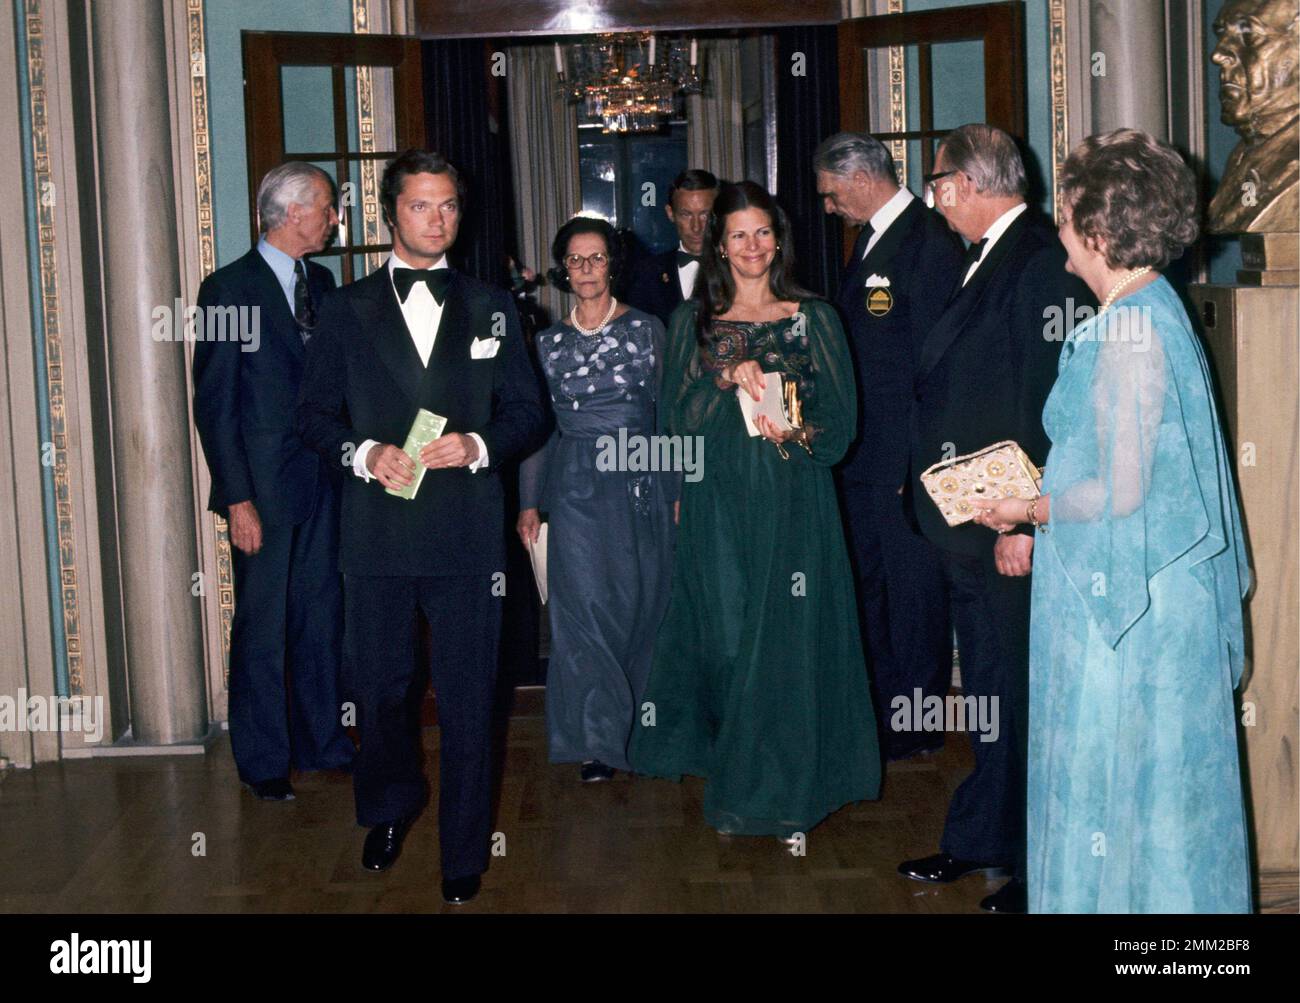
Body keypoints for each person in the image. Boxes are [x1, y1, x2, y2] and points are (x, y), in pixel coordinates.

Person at [972, 129, 1252, 913]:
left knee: (1125, 787)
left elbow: (1124, 491)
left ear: (1096, 231)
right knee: (1151, 793)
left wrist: (1024, 508)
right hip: (1145, 587)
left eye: (1065, 214)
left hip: (1129, 603)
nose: (1057, 228)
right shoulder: (1152, 308)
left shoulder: (1126, 330)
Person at [295, 149, 545, 905]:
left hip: (469, 536)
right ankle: (391, 804)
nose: (438, 220)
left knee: (471, 699)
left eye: (449, 206)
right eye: (421, 206)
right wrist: (364, 453)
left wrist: (477, 445)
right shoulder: (344, 308)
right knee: (380, 693)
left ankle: (464, 851)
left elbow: (530, 413)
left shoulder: (494, 304)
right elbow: (312, 416)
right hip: (377, 535)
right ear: (389, 213)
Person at [628, 181, 880, 841]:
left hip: (795, 499)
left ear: (779, 238)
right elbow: (673, 427)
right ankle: (732, 762)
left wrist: (793, 418)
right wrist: (722, 379)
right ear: (717, 243)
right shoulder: (693, 323)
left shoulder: (814, 316)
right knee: (729, 640)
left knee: (788, 642)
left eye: (762, 232)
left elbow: (843, 423)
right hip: (717, 504)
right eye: (737, 234)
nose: (752, 246)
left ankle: (780, 789)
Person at [897, 124, 1093, 913]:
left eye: (939, 184)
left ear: (970, 183)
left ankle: (1032, 867)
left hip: (1008, 527)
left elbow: (1053, 405)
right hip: (971, 521)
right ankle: (984, 837)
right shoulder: (986, 256)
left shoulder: (1040, 261)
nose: (936, 200)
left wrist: (1026, 525)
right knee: (988, 688)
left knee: (1019, 693)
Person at [192, 162, 354, 802]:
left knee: (322, 618)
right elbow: (214, 404)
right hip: (261, 491)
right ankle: (263, 762)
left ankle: (324, 743)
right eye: (327, 207)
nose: (335, 218)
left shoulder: (324, 282)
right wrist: (237, 499)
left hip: (324, 484)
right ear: (290, 214)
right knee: (262, 626)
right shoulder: (225, 289)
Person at [814, 132, 963, 761]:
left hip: (903, 464)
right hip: (864, 459)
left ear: (858, 178)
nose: (827, 207)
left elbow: (937, 366)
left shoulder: (927, 243)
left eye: (829, 193)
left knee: (914, 597)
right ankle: (880, 716)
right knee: (872, 590)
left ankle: (917, 725)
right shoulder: (872, 238)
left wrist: (918, 461)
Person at [516, 216, 675, 782]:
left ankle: (641, 729)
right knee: (582, 613)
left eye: (597, 258)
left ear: (613, 264)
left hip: (640, 480)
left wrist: (676, 492)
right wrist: (529, 503)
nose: (586, 270)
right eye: (576, 260)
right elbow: (540, 429)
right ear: (563, 269)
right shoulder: (546, 343)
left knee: (639, 606)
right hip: (576, 485)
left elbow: (667, 416)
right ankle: (596, 740)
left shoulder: (649, 330)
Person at [623, 169, 720, 326]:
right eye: (686, 214)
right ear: (670, 213)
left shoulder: (737, 267)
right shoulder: (647, 274)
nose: (696, 227)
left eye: (705, 215)